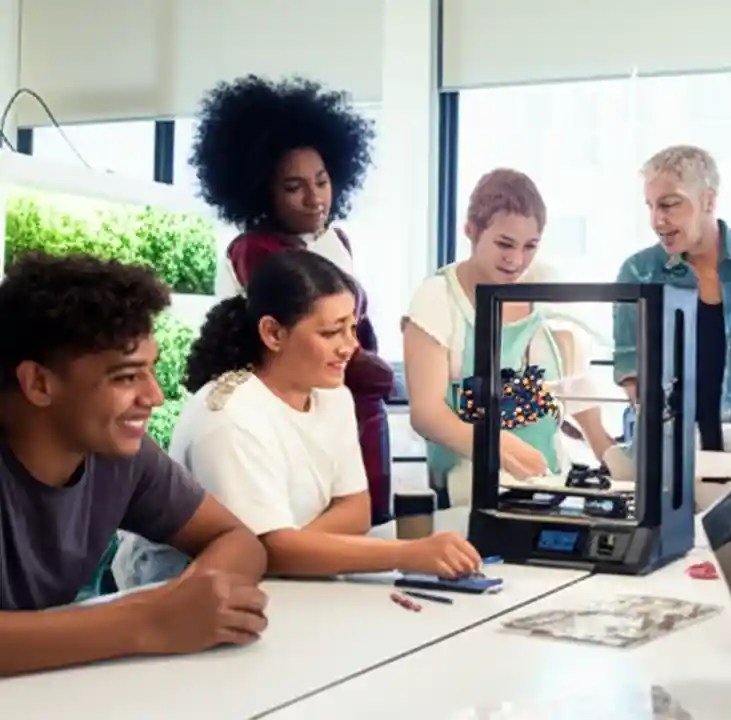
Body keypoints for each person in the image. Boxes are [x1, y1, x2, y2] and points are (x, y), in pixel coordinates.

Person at [113, 251, 481, 586]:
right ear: (273, 333)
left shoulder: (333, 395)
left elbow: (356, 510)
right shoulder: (228, 416)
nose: (350, 346)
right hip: (183, 596)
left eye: (352, 328)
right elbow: (263, 551)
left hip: (284, 584)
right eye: (331, 332)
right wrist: (405, 554)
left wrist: (292, 549)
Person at [0, 253, 268, 676]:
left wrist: (191, 602)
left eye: (150, 371)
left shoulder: (119, 456)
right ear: (38, 383)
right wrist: (148, 621)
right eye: (126, 376)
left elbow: (237, 540)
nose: (154, 396)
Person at [190, 74, 395, 526]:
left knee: (363, 518)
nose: (314, 197)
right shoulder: (255, 251)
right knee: (298, 527)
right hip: (302, 407)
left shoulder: (335, 240)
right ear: (262, 189)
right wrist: (367, 366)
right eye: (293, 187)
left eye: (321, 181)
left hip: (349, 408)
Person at [403, 169, 611, 508]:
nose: (516, 260)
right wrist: (495, 444)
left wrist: (608, 450)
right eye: (504, 244)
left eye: (530, 247)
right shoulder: (437, 298)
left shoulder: (544, 285)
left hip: (550, 485)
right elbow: (426, 414)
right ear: (470, 230)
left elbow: (570, 384)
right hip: (468, 493)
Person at [613, 145, 731, 460]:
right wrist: (659, 428)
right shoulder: (639, 272)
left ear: (708, 200)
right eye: (650, 206)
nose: (657, 220)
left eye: (669, 205)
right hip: (668, 451)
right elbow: (629, 364)